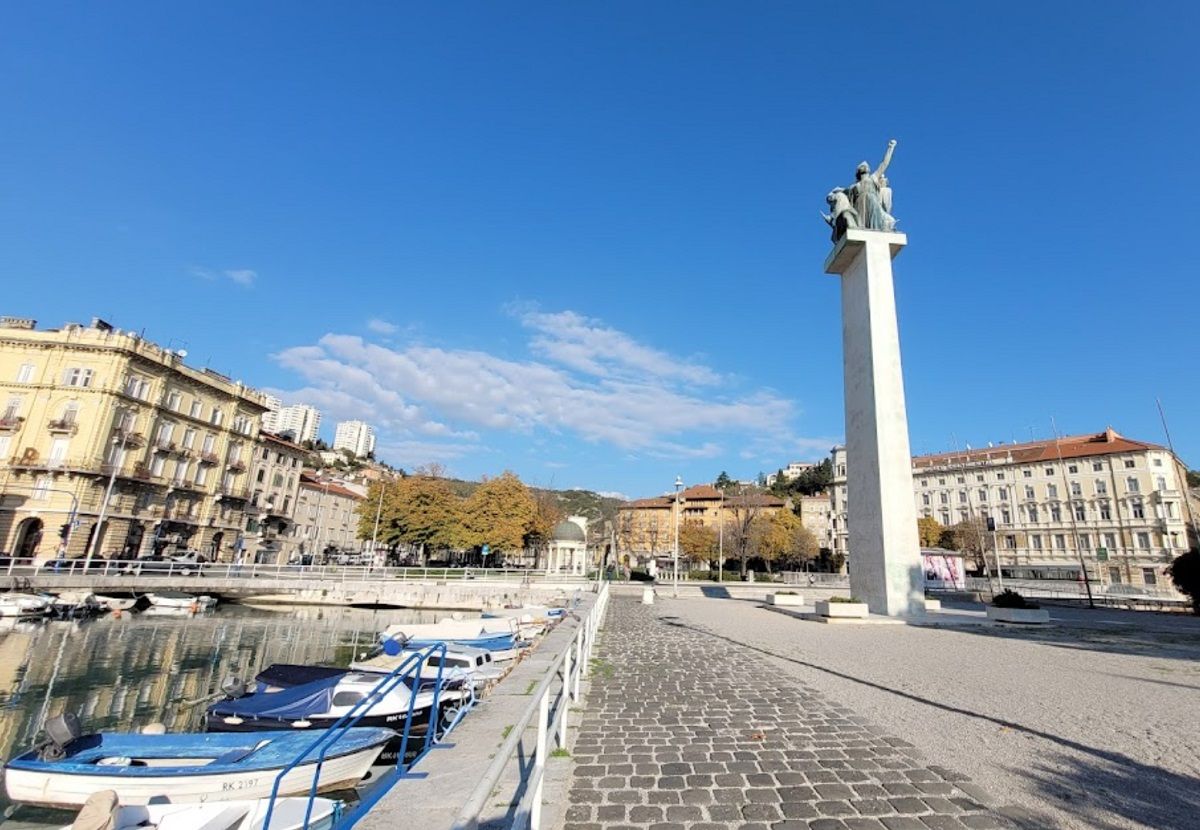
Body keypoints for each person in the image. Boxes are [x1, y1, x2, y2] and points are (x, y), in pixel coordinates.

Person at [846, 139, 896, 231]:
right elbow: (850, 203)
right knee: (861, 228)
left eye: (866, 165)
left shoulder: (873, 177)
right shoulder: (853, 187)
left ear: (868, 169)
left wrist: (890, 148)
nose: (864, 166)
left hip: (872, 202)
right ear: (858, 172)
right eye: (861, 166)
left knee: (875, 226)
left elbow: (884, 163)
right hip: (859, 206)